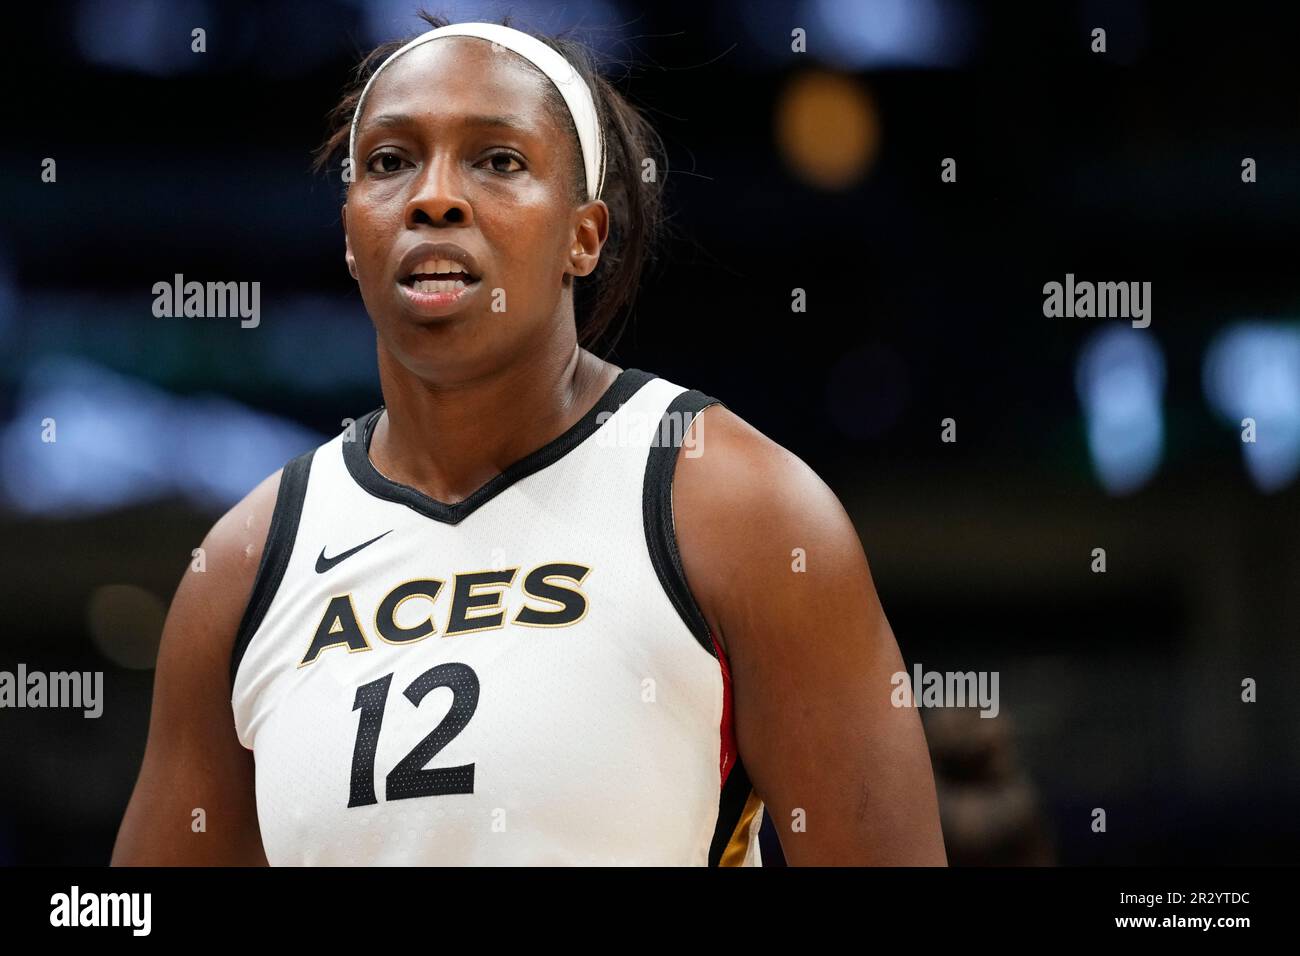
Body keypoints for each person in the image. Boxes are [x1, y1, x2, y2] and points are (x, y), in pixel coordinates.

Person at [112, 12, 946, 866]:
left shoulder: (741, 509)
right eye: (391, 162)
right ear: (352, 238)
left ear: (584, 236)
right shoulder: (246, 565)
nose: (434, 196)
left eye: (498, 160)